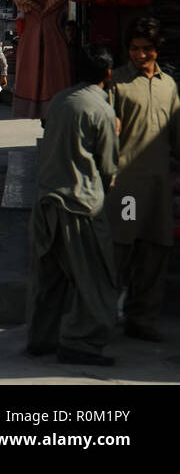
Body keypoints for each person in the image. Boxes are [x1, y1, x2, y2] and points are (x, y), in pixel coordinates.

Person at [26, 46, 120, 366]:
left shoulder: (60, 101)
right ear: (108, 74)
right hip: (80, 204)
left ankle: (41, 338)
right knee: (96, 277)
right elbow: (108, 166)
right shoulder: (102, 110)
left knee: (51, 276)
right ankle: (83, 341)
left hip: (47, 199)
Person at [106, 17, 180, 341]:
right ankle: (103, 316)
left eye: (146, 49)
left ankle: (142, 318)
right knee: (121, 250)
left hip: (159, 188)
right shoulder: (117, 83)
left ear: (156, 49)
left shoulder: (169, 85)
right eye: (134, 49)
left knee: (155, 251)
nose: (140, 55)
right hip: (126, 189)